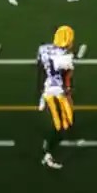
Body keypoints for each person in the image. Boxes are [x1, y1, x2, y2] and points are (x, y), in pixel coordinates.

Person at [37, 25, 76, 170]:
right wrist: (68, 93)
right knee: (60, 126)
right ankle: (47, 154)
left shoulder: (43, 49)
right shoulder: (66, 58)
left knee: (63, 123)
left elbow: (40, 70)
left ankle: (49, 146)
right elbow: (66, 80)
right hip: (58, 93)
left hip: (47, 90)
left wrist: (40, 93)